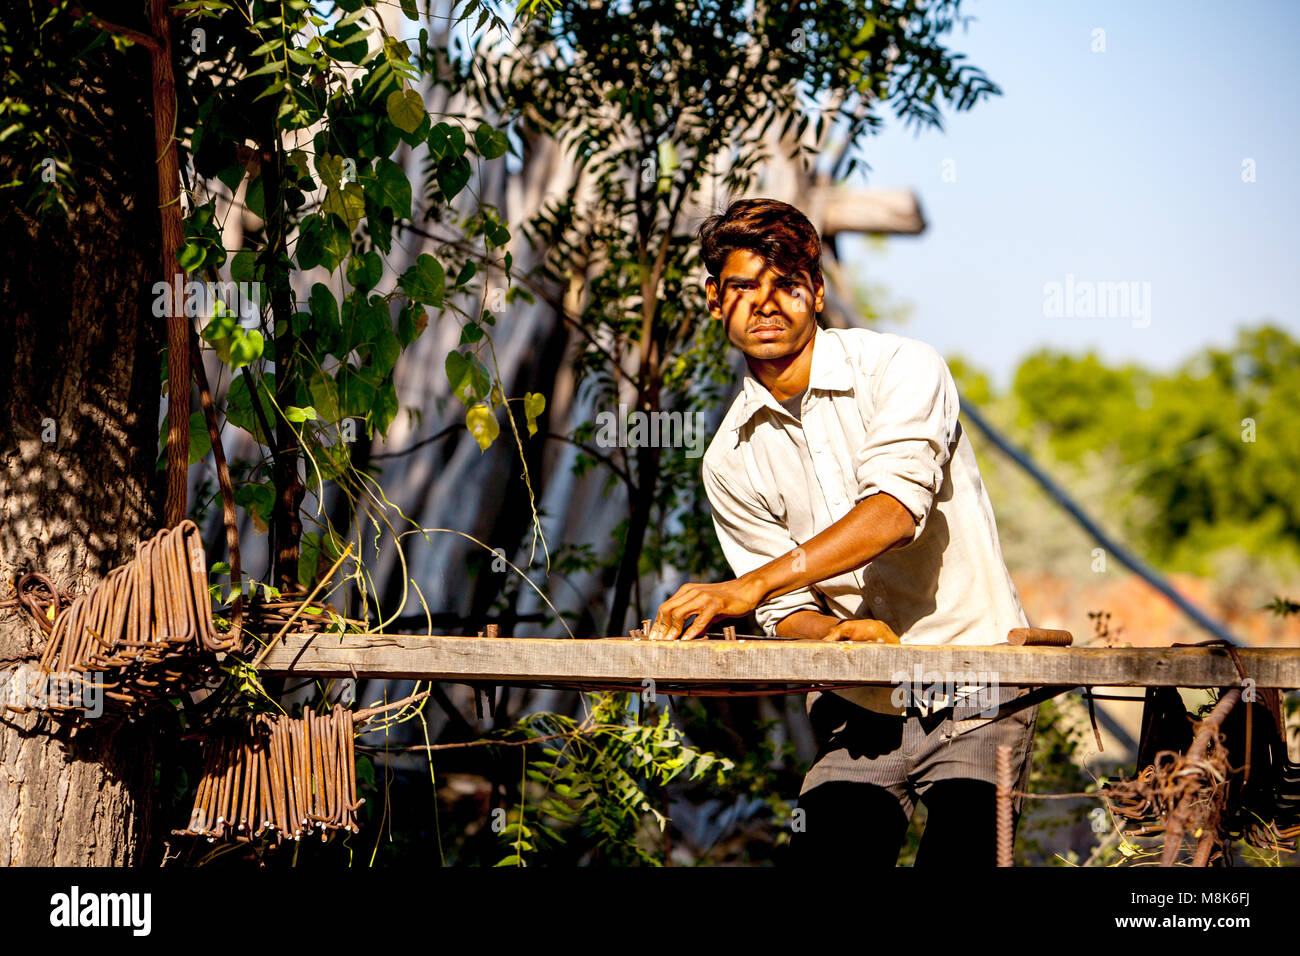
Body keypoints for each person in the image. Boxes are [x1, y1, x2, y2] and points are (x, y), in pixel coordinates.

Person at [648, 198, 1038, 865]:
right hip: (858, 708)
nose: (765, 305)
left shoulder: (902, 369)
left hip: (978, 686)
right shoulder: (729, 460)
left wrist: (746, 586)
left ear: (818, 292)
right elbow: (787, 611)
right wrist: (833, 636)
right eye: (743, 286)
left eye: (787, 285)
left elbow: (892, 513)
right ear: (715, 300)